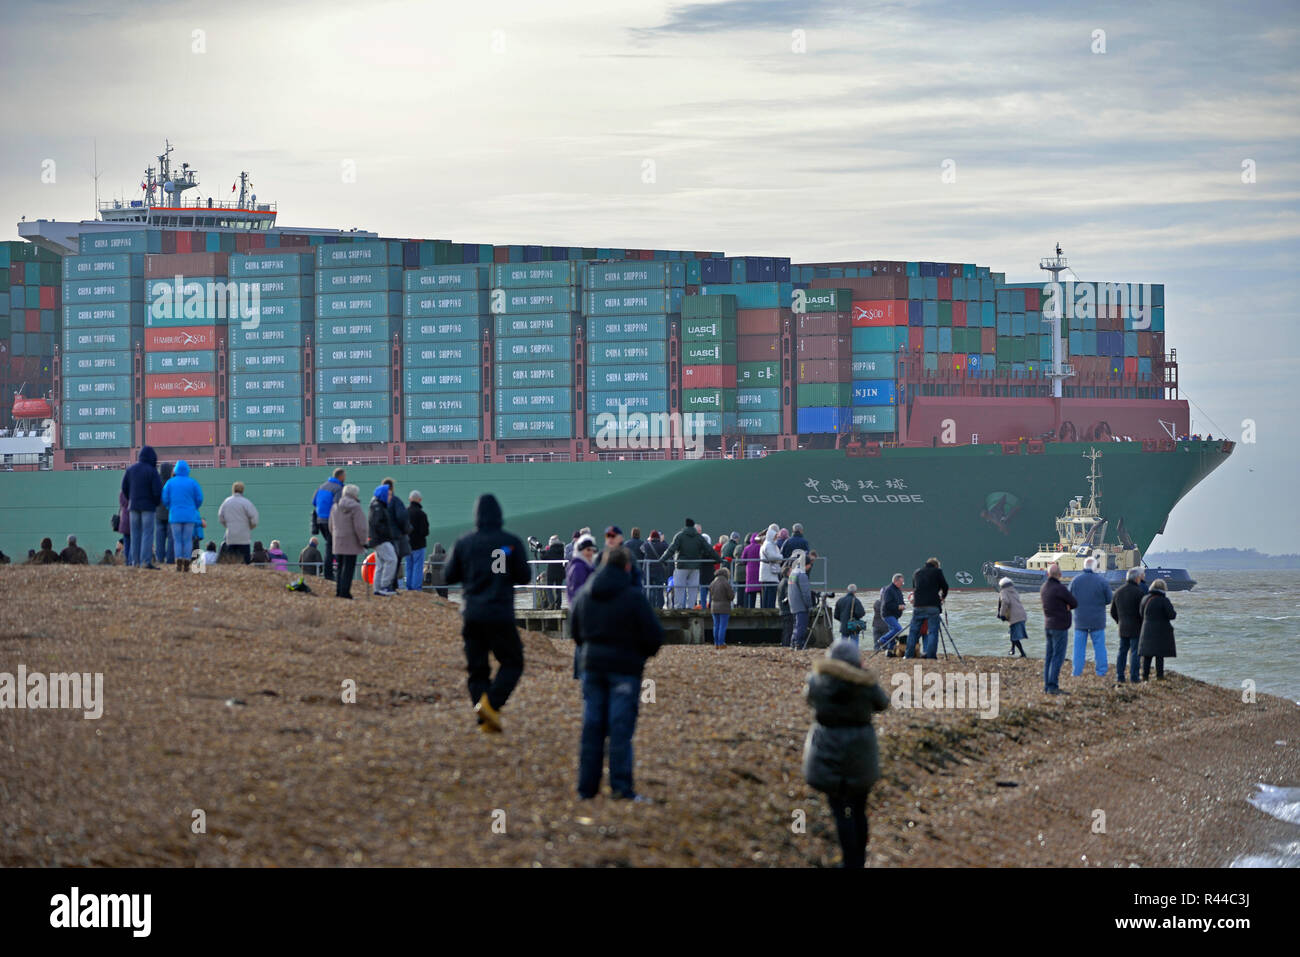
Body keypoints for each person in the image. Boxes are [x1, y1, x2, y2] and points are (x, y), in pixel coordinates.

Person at [570, 545, 663, 799]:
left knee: (592, 726)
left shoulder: (586, 593)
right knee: (620, 728)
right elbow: (654, 636)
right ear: (627, 567)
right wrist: (641, 655)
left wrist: (589, 649)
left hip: (593, 667)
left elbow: (574, 630)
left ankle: (586, 789)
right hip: (624, 669)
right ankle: (621, 787)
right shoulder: (633, 597)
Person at [443, 494, 532, 733]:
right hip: (500, 612)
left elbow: (448, 575)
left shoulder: (464, 542)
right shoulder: (510, 542)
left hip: (472, 613)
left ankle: (484, 718)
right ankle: (491, 705)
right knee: (513, 662)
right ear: (499, 514)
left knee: (477, 669)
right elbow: (525, 576)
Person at [802, 640, 890, 868]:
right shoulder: (865, 684)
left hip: (827, 746)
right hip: (860, 749)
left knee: (840, 811)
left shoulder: (817, 682)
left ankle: (848, 861)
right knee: (859, 810)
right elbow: (882, 703)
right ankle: (858, 861)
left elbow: (807, 698)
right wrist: (865, 672)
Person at [1069, 556, 1113, 677]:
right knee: (1099, 647)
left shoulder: (1075, 581)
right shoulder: (1102, 581)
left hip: (1080, 619)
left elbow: (1069, 599)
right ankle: (1101, 671)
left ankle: (1076, 672)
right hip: (1097, 620)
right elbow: (1109, 599)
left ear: (1084, 566)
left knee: (1078, 648)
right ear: (1095, 567)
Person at [121, 445, 162, 569]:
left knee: (135, 535)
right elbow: (157, 490)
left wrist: (130, 499)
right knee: (147, 534)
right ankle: (145, 562)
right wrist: (155, 502)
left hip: (133, 507)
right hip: (148, 507)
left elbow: (124, 488)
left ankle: (135, 562)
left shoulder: (130, 470)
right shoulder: (152, 471)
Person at [1040, 562, 1078, 695]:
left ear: (1047, 574)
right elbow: (1074, 602)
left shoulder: (1044, 588)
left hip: (1048, 625)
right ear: (1060, 575)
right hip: (1060, 626)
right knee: (1058, 657)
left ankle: (1046, 685)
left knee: (1049, 656)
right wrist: (1066, 606)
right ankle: (1053, 686)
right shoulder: (1060, 588)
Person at [661, 518, 713, 610]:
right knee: (693, 589)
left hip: (681, 566)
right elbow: (709, 549)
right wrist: (719, 559)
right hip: (695, 567)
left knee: (679, 588)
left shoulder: (680, 536)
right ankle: (691, 608)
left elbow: (671, 549)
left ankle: (678, 608)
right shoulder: (699, 537)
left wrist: (662, 559)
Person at [161, 460, 204, 572]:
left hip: (175, 515)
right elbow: (199, 498)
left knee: (177, 540)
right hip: (189, 516)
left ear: (176, 470)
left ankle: (179, 559)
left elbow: (165, 498)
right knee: (187, 540)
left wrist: (170, 507)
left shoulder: (170, 483)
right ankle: (186, 560)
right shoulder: (193, 483)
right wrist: (194, 507)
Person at [328, 484, 367, 600]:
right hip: (351, 542)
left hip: (338, 541)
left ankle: (339, 591)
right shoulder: (356, 507)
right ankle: (346, 593)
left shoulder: (335, 507)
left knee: (340, 568)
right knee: (349, 568)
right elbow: (361, 527)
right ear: (354, 495)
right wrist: (363, 540)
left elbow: (331, 525)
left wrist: (335, 536)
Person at [906, 557, 949, 659]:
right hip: (933, 605)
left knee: (913, 631)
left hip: (918, 605)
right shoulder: (937, 572)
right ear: (936, 565)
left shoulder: (917, 573)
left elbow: (914, 588)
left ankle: (908, 655)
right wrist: (942, 597)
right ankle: (930, 656)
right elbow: (945, 587)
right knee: (933, 632)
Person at [1110, 567, 1146, 684]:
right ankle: (1134, 677)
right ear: (1136, 578)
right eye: (1140, 577)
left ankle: (1119, 676)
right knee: (1135, 652)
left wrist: (1119, 621)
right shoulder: (1140, 592)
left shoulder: (1118, 592)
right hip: (1137, 627)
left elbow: (1112, 612)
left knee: (1122, 652)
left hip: (1123, 627)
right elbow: (1143, 611)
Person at [1137, 579, 1176, 681]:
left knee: (1147, 654)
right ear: (1163, 588)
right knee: (1159, 655)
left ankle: (1145, 676)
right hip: (1160, 631)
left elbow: (1141, 613)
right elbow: (1172, 615)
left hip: (1146, 629)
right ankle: (1159, 676)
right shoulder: (1164, 600)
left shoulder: (1145, 598)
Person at [312, 468, 346, 581]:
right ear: (340, 476)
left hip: (320, 521)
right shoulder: (338, 488)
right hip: (331, 521)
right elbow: (338, 504)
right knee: (332, 547)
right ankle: (331, 574)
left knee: (330, 545)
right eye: (344, 476)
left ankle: (331, 573)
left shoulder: (321, 486)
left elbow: (314, 502)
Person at [367, 485, 398, 597]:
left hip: (376, 540)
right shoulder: (378, 507)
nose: (391, 497)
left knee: (380, 564)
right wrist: (387, 534)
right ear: (383, 494)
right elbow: (377, 524)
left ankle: (377, 588)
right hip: (381, 540)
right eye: (389, 494)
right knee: (392, 559)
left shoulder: (376, 505)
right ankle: (385, 586)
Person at [217, 480, 258, 564]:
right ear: (243, 490)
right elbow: (254, 519)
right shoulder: (246, 503)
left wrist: (227, 526)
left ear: (233, 490)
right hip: (244, 537)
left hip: (231, 537)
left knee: (231, 563)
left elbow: (221, 517)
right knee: (245, 563)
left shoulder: (226, 502)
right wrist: (249, 527)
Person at [382, 478, 411, 592]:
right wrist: (406, 530)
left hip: (383, 538)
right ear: (392, 487)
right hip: (396, 537)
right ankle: (392, 586)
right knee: (395, 561)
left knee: (385, 562)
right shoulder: (396, 501)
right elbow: (402, 517)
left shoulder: (377, 501)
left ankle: (386, 585)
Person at [788, 552, 815, 650]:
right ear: (806, 565)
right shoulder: (802, 575)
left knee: (796, 625)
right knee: (801, 626)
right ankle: (799, 644)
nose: (810, 568)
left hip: (793, 604)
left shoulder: (793, 573)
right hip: (801, 605)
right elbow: (806, 593)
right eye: (809, 565)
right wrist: (809, 605)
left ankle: (793, 643)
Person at [997, 577, 1029, 658]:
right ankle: (1012, 649)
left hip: (1015, 617)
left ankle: (1022, 654)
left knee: (1014, 637)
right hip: (1022, 615)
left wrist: (1002, 614)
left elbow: (1005, 601)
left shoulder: (1003, 591)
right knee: (1013, 634)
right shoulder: (1014, 591)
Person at [406, 490, 429, 593]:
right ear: (420, 500)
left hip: (407, 545)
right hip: (419, 545)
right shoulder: (422, 514)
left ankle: (409, 588)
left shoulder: (404, 513)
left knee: (408, 567)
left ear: (410, 499)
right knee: (417, 568)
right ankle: (416, 590)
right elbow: (425, 531)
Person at [878, 573, 906, 653]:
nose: (902, 584)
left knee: (893, 633)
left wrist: (903, 605)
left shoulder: (898, 590)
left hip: (895, 615)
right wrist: (898, 607)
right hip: (888, 614)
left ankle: (890, 650)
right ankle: (882, 640)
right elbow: (887, 604)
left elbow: (901, 601)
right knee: (898, 629)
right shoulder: (889, 590)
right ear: (896, 581)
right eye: (901, 582)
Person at [709, 565, 735, 648]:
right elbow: (731, 596)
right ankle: (721, 643)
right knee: (722, 626)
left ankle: (716, 643)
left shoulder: (713, 582)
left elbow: (710, 595)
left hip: (714, 607)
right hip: (724, 607)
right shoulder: (725, 583)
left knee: (716, 625)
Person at [155, 461, 174, 566]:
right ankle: (170, 560)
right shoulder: (172, 482)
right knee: (171, 539)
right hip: (171, 514)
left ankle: (160, 559)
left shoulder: (156, 481)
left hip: (158, 514)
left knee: (159, 539)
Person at [759, 525, 783, 609]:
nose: (776, 537)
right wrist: (781, 556)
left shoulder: (766, 544)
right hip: (770, 574)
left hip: (766, 574)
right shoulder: (769, 545)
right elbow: (772, 557)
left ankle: (766, 609)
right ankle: (770, 609)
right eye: (776, 536)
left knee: (766, 595)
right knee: (771, 595)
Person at [642, 530, 667, 608]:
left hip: (648, 570)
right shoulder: (663, 545)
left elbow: (642, 550)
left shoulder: (646, 545)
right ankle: (660, 606)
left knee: (649, 588)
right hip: (659, 570)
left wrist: (648, 540)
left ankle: (650, 605)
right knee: (659, 589)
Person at [540, 535, 565, 610]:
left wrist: (542, 552)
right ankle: (558, 605)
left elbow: (543, 558)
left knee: (549, 588)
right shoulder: (562, 549)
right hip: (560, 571)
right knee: (558, 589)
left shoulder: (550, 550)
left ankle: (552, 603)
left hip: (551, 572)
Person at [741, 532, 764, 609]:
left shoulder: (747, 548)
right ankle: (763, 608)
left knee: (751, 592)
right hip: (760, 571)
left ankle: (751, 608)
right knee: (761, 591)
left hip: (750, 571)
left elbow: (743, 560)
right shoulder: (761, 547)